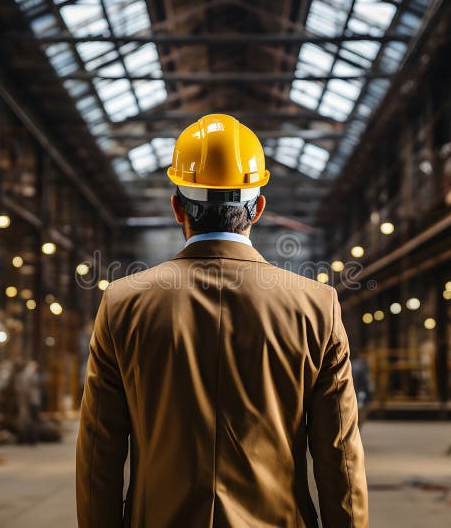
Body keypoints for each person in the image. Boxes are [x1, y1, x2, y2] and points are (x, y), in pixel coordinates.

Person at [76, 114, 368, 527]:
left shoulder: (123, 303)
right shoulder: (317, 306)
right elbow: (339, 455)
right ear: (258, 208)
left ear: (178, 207)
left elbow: (98, 455)